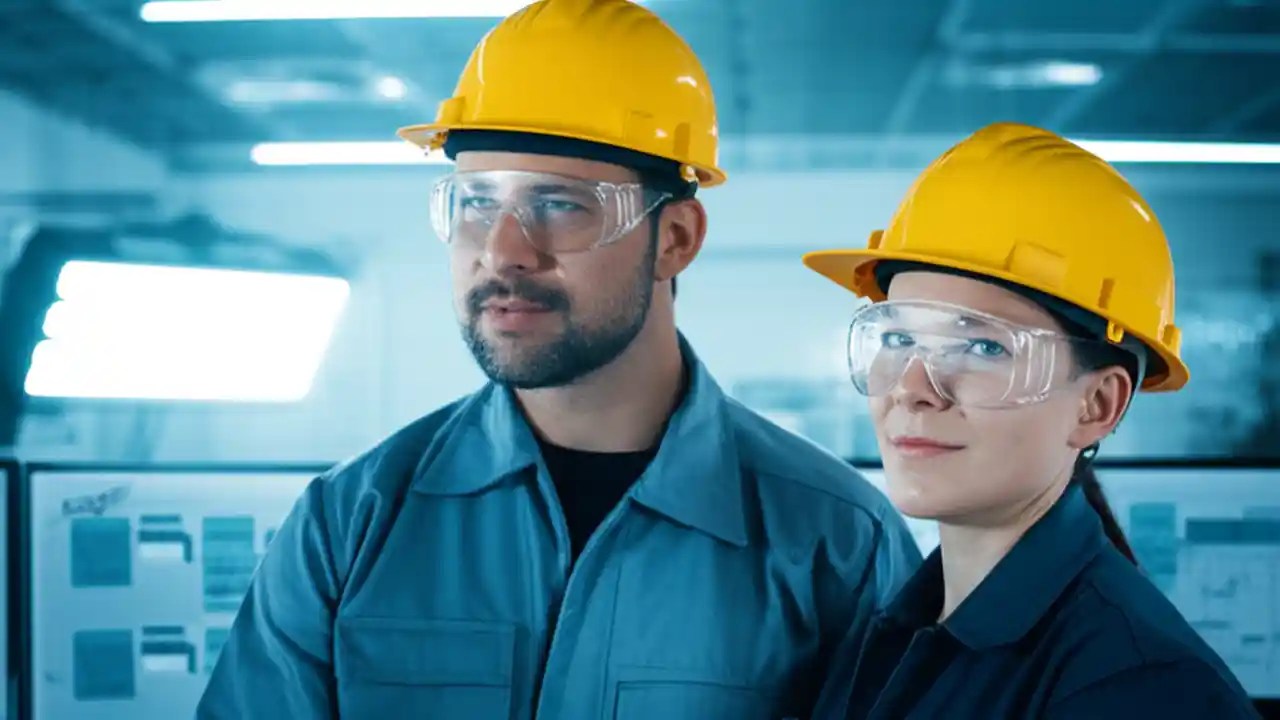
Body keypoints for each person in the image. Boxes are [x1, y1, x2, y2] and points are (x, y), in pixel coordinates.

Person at [196, 0, 922, 718]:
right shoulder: (350, 524)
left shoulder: (835, 544)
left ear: (674, 238)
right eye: (476, 204)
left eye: (562, 205)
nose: (504, 251)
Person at [801, 121, 1260, 719]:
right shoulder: (901, 628)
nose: (912, 389)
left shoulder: (1139, 690)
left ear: (1097, 406)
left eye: (984, 348)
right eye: (897, 336)